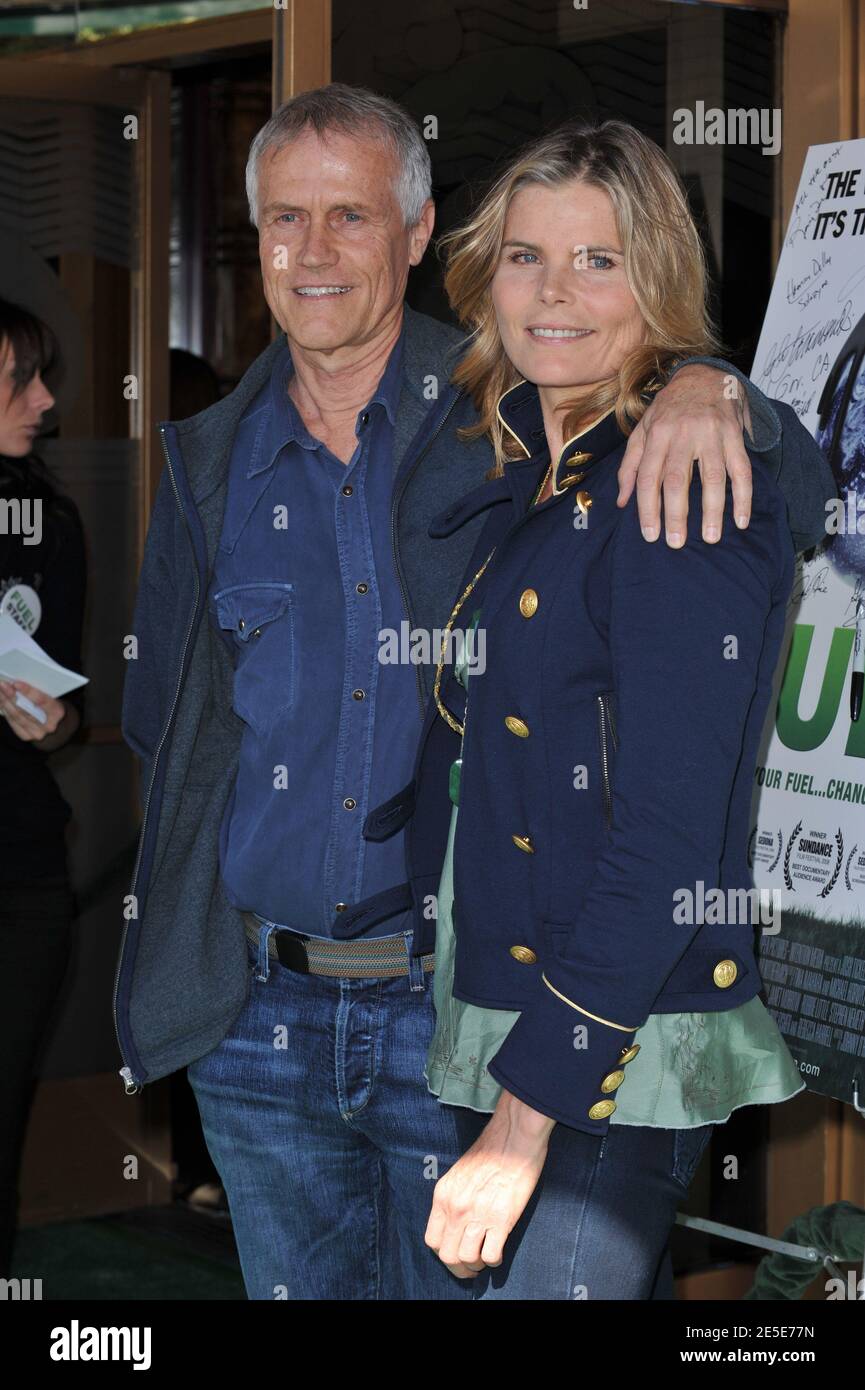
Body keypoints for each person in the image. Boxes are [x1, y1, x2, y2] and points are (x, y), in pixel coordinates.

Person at [118, 83, 833, 1301]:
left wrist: (715, 388)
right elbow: (167, 729)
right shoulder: (208, 465)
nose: (317, 250)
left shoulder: (496, 415)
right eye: (287, 219)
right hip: (263, 1017)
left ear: (413, 232)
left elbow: (775, 478)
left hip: (458, 1004)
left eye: (352, 215)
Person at [365, 116, 809, 1299]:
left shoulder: (676, 484)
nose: (554, 292)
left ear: (655, 279)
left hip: (613, 1038)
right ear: (483, 273)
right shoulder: (532, 462)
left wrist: (522, 1127)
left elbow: (665, 843)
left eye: (598, 260)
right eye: (525, 256)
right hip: (518, 1002)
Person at [0, 298, 86, 1277]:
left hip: (21, 872)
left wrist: (54, 719)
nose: (49, 401)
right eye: (22, 379)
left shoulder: (51, 524)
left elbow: (66, 695)